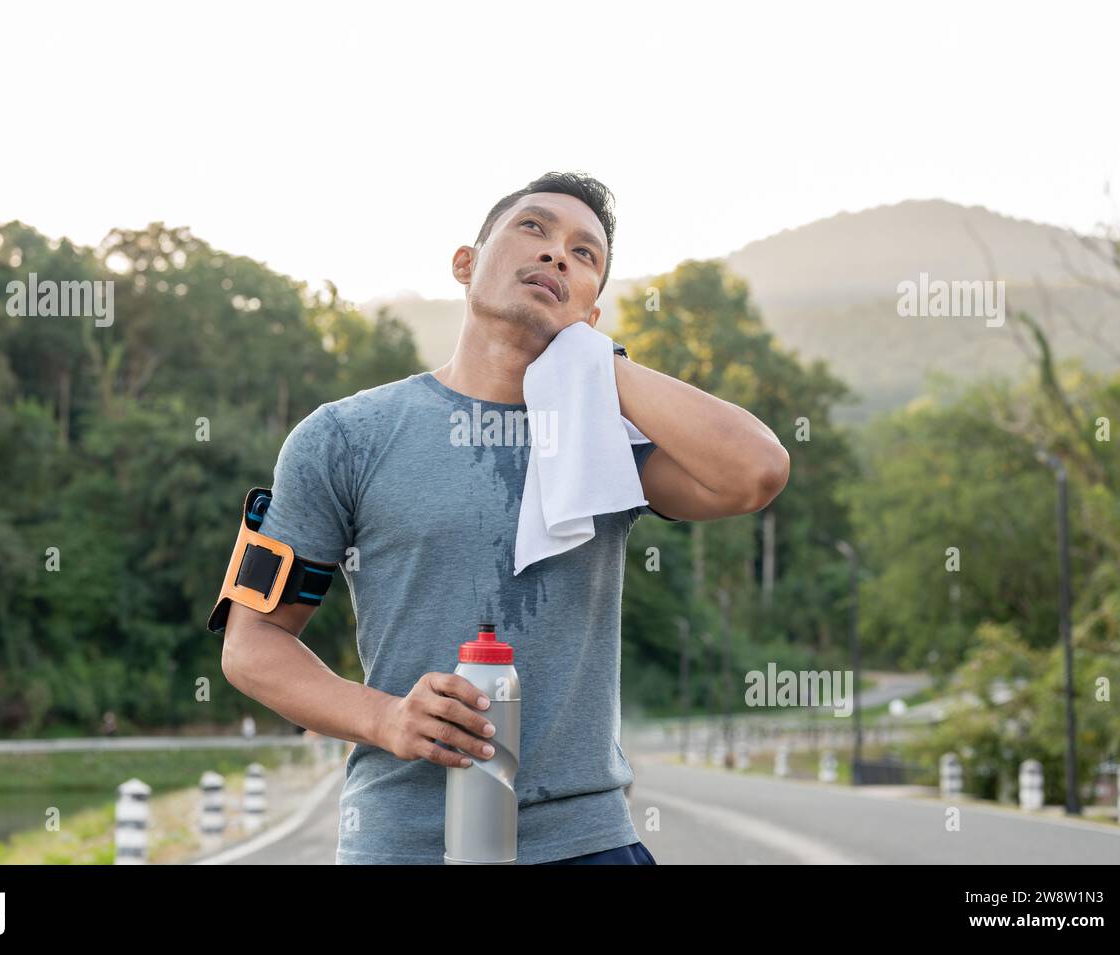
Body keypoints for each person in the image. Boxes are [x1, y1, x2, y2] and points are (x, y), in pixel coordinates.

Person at [220, 172, 789, 864]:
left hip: (588, 846)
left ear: (593, 310)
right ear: (466, 262)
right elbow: (251, 646)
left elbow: (756, 470)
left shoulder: (606, 444)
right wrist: (386, 717)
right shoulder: (343, 437)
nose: (557, 255)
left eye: (585, 256)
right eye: (534, 228)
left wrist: (594, 363)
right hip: (402, 844)